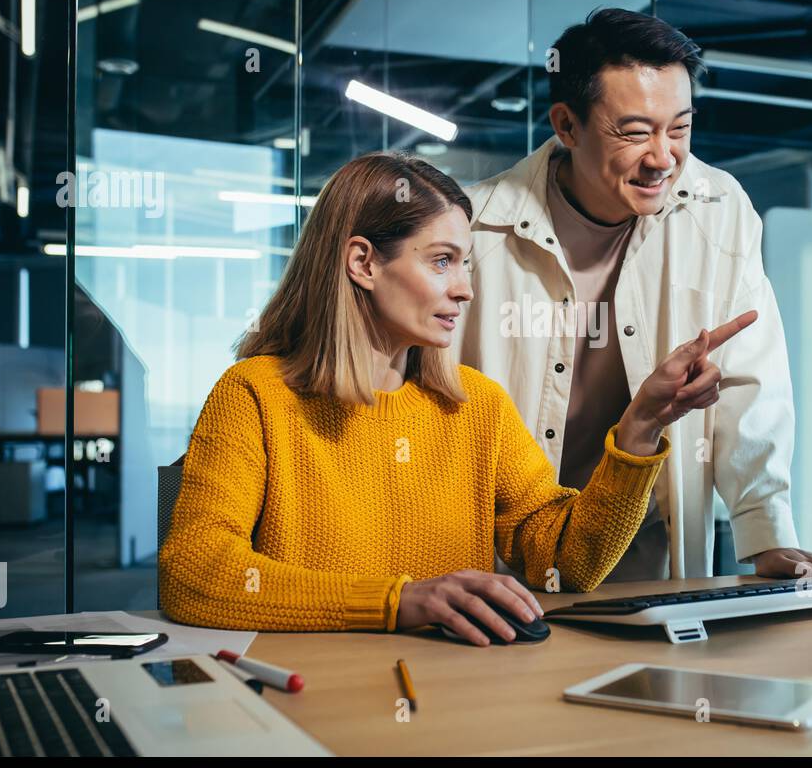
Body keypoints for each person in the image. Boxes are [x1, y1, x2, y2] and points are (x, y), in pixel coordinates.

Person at [158, 152, 754, 645]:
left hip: (449, 695)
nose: (466, 290)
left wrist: (640, 425)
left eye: (465, 263)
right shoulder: (254, 396)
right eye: (442, 261)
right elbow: (195, 573)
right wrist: (398, 601)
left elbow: (565, 561)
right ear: (363, 262)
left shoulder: (476, 406)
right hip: (308, 696)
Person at [456, 7, 812, 581]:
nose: (663, 158)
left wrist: (767, 533)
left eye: (679, 128)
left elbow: (752, 383)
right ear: (567, 125)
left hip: (641, 558)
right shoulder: (473, 228)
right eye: (634, 132)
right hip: (498, 562)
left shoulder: (719, 209)